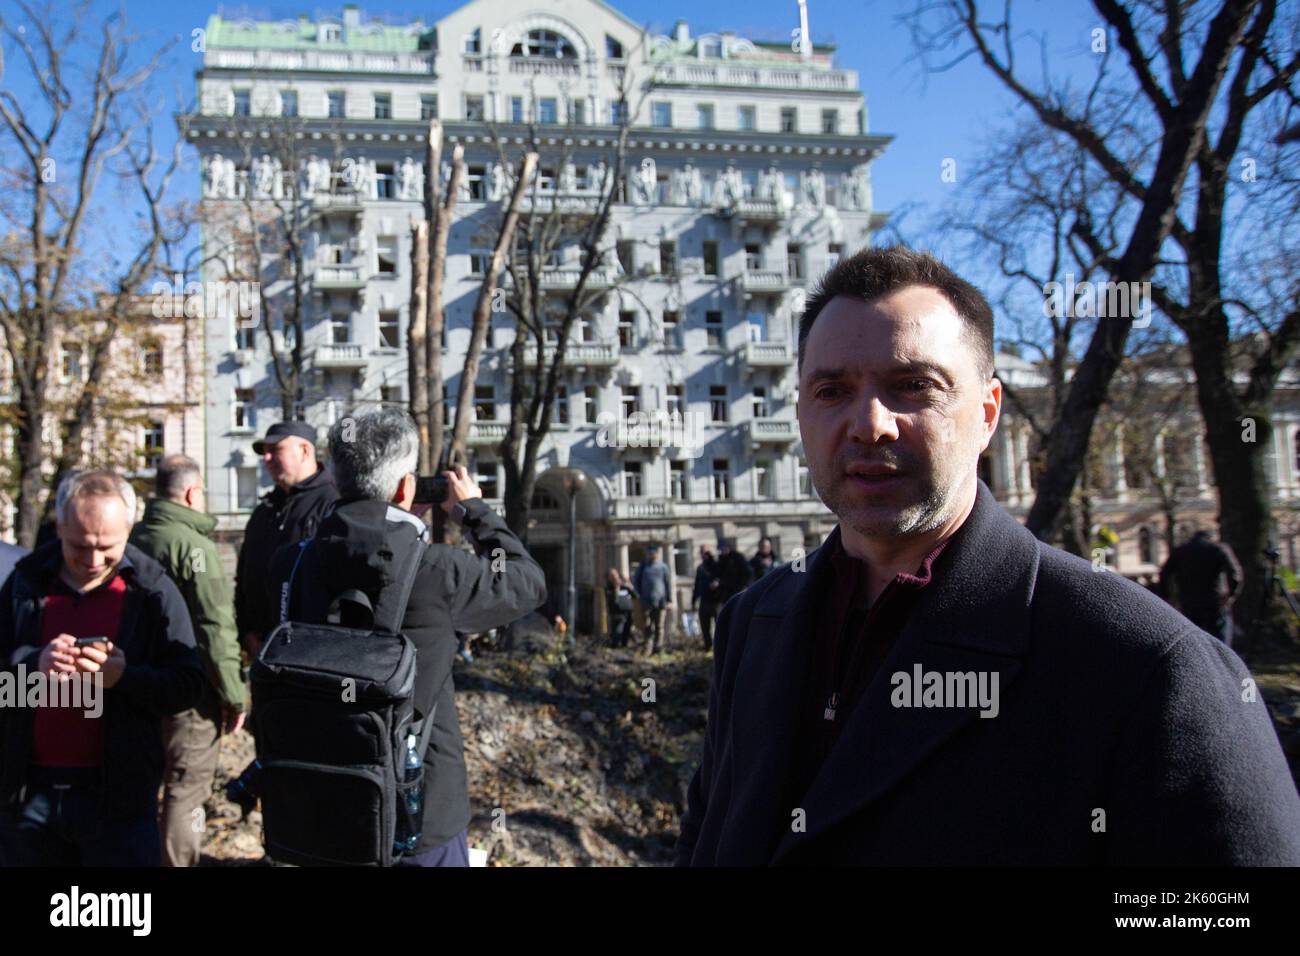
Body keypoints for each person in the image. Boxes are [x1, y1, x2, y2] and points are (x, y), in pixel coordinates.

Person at [676, 245, 1300, 865]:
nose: (870, 424)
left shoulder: (1150, 664)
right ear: (801, 415)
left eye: (913, 386)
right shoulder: (753, 623)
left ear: (987, 414)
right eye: (831, 390)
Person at [266, 409, 546, 867]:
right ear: (404, 488)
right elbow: (528, 582)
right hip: (419, 813)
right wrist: (474, 511)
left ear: (335, 480)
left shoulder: (289, 565)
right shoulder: (439, 572)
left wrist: (392, 519)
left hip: (317, 809)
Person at [0, 471, 205, 866]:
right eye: (79, 546)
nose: (93, 561)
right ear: (60, 527)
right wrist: (32, 667)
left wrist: (124, 678)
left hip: (118, 801)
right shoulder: (24, 584)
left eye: (107, 547)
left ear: (129, 530)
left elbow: (187, 687)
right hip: (28, 794)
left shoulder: (153, 590)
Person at [129, 455, 246, 867]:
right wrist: (234, 694)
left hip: (135, 681)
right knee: (187, 787)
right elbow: (214, 625)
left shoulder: (133, 537)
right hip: (189, 690)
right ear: (194, 493)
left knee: (144, 782)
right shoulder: (194, 546)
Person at [235, 422, 338, 658]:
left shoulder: (333, 504)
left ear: (305, 451)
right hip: (263, 650)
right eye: (264, 453)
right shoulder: (264, 512)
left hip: (311, 652)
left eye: (275, 450)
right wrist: (247, 633)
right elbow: (244, 579)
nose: (267, 459)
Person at [1159, 529, 1242, 646]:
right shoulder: (1218, 549)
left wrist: (1167, 597)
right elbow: (1235, 574)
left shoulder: (1181, 551)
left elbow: (1164, 574)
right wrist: (1231, 594)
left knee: (1192, 638)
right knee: (1220, 638)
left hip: (1188, 600)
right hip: (1215, 600)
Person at [632, 544, 672, 655]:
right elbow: (636, 581)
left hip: (660, 601)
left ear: (657, 554)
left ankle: (658, 647)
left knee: (659, 626)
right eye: (649, 553)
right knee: (647, 625)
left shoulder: (663, 567)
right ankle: (647, 647)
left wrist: (669, 600)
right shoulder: (643, 566)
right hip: (646, 601)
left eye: (653, 553)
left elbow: (668, 584)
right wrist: (638, 594)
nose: (651, 555)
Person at [691, 547, 721, 652]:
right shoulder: (700, 568)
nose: (704, 555)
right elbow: (696, 585)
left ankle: (719, 647)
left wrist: (717, 583)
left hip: (716, 601)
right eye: (702, 553)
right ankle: (708, 646)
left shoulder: (717, 566)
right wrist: (693, 600)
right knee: (704, 626)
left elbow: (724, 579)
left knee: (719, 625)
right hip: (704, 600)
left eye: (706, 553)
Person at [605, 568, 636, 649]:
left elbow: (635, 596)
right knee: (617, 631)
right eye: (612, 576)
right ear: (609, 578)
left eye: (615, 575)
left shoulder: (624, 587)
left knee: (627, 629)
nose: (615, 578)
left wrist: (630, 586)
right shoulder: (609, 588)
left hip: (627, 612)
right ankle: (615, 646)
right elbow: (614, 601)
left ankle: (624, 645)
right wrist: (616, 588)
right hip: (617, 613)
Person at [715, 538, 752, 605]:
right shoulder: (721, 560)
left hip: (738, 590)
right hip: (726, 592)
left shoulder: (737, 557)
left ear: (728, 547)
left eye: (723, 549)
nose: (721, 551)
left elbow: (748, 573)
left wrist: (744, 586)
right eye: (720, 549)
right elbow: (719, 574)